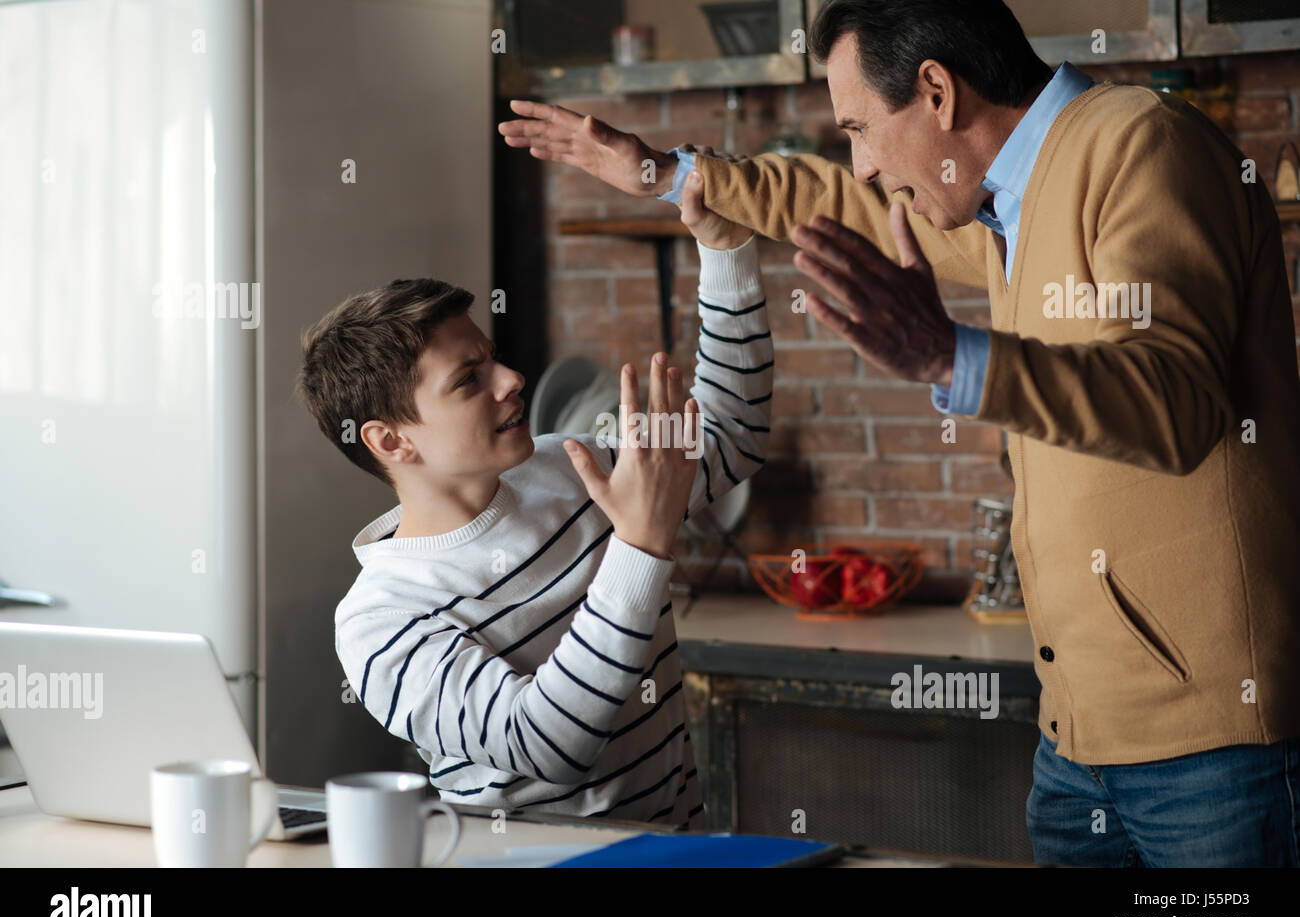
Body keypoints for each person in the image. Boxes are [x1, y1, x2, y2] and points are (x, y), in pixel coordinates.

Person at [499, 0, 1300, 865]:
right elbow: (831, 199)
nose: (866, 163)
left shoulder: (1142, 147)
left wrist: (946, 352)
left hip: (1214, 749)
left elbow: (1173, 400)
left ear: (937, 92)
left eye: (860, 128)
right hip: (1077, 743)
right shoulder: (1004, 202)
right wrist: (666, 172)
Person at [295, 175, 768, 828]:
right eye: (469, 380)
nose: (512, 379)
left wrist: (727, 254)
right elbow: (545, 742)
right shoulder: (380, 619)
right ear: (390, 440)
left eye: (491, 358)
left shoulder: (570, 463)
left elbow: (732, 440)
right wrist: (639, 545)